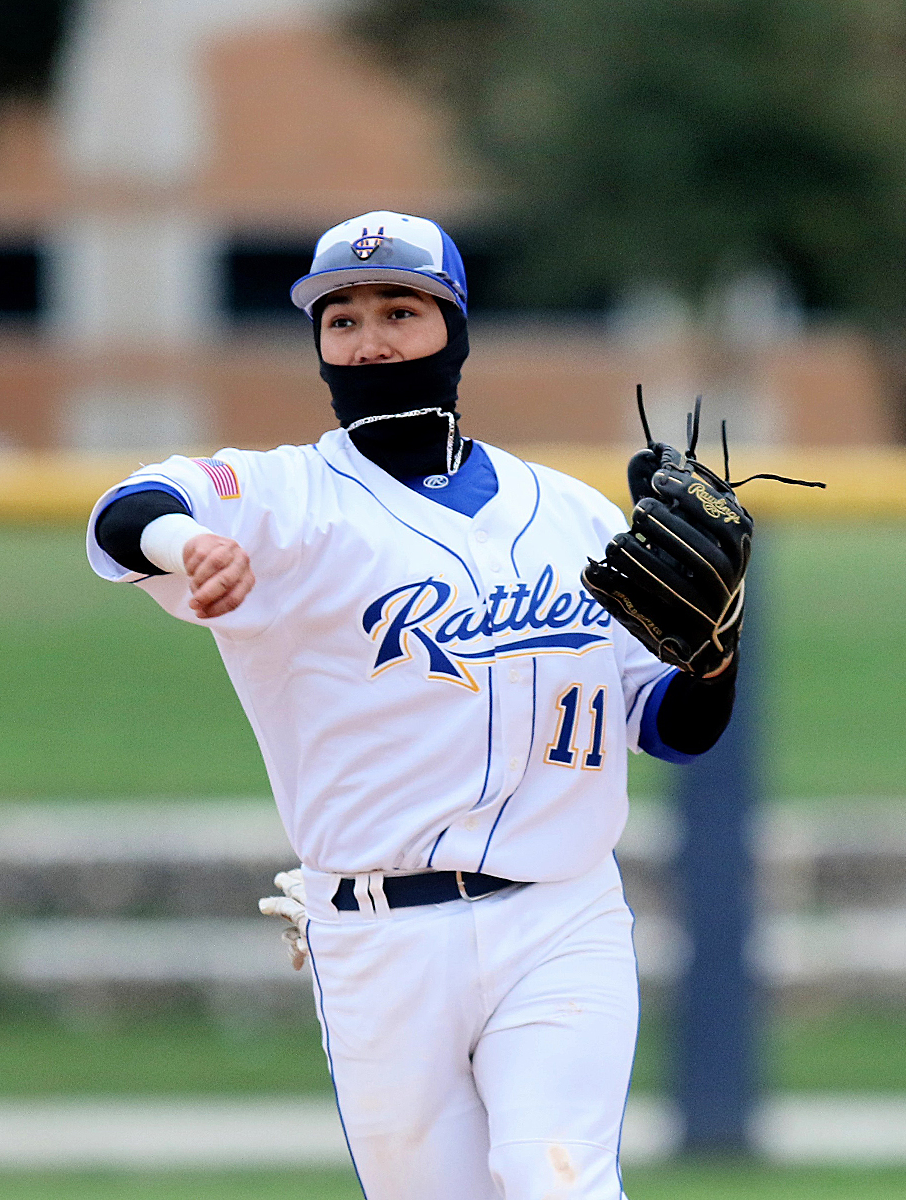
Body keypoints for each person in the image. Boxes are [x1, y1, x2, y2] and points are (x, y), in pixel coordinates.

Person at [85, 210, 737, 1200]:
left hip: (561, 917)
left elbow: (675, 728)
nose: (372, 338)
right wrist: (189, 547)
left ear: (455, 328)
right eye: (342, 319)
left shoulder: (567, 513)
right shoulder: (285, 501)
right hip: (379, 938)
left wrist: (719, 655)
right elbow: (126, 512)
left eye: (401, 310)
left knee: (557, 1180)